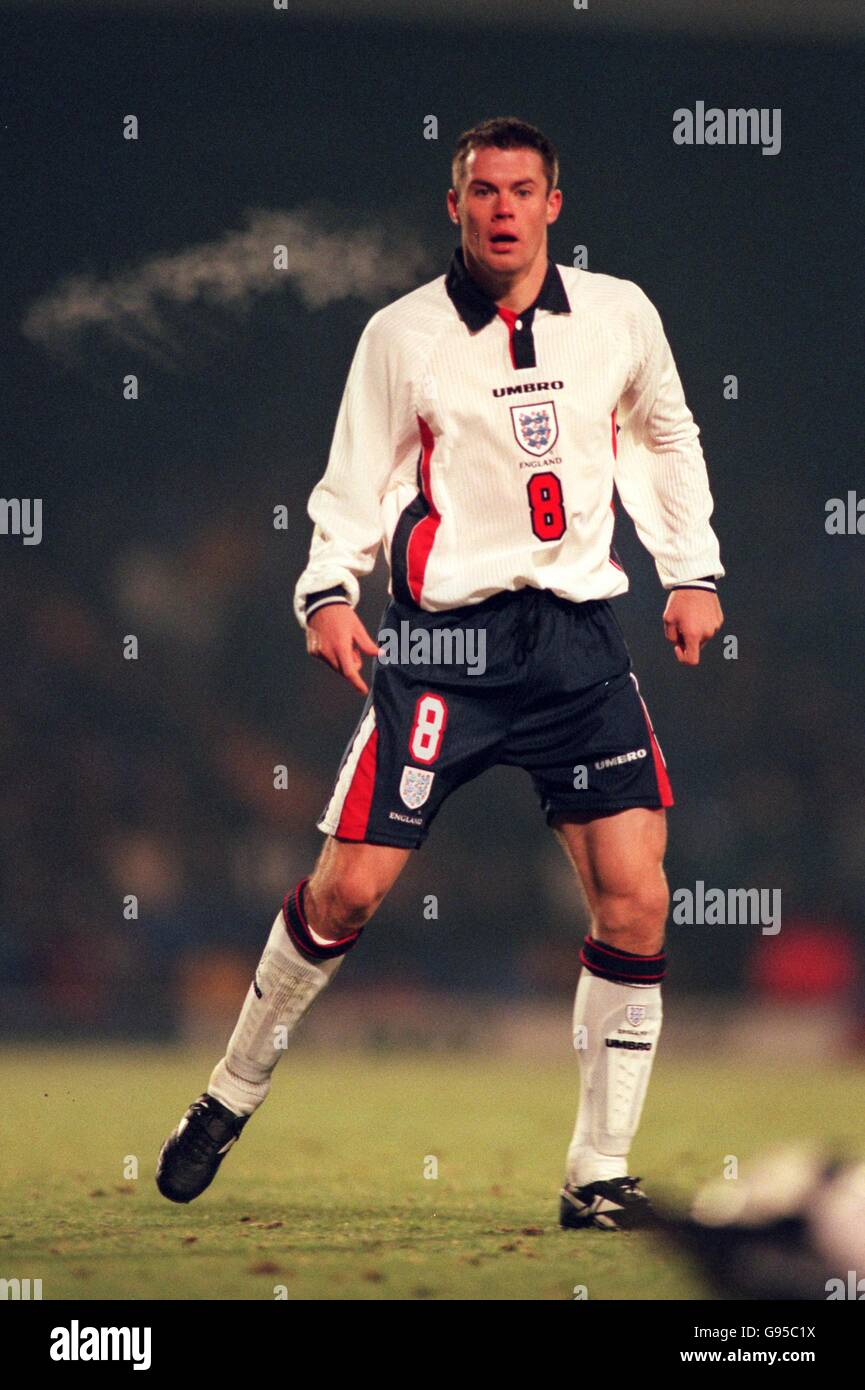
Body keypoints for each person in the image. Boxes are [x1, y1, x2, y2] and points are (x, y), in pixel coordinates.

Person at [157, 116, 724, 1230]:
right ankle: (229, 1092)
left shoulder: (619, 315)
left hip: (575, 645)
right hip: (442, 652)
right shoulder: (402, 335)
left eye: (522, 189)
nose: (503, 207)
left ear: (554, 203)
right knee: (348, 889)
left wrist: (691, 567)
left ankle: (595, 1170)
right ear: (454, 206)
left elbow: (666, 436)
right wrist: (326, 592)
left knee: (637, 898)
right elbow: (352, 480)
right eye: (482, 191)